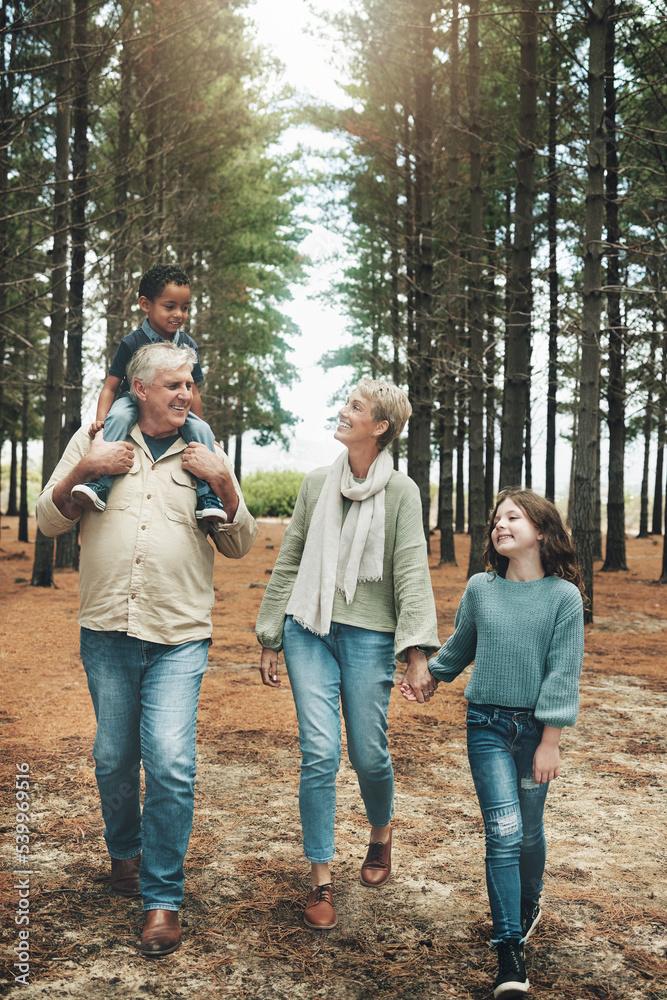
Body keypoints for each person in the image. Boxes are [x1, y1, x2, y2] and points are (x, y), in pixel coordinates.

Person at [36, 341, 258, 958]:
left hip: (178, 635)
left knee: (169, 761)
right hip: (105, 628)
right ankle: (124, 854)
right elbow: (48, 520)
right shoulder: (97, 439)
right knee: (112, 757)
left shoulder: (206, 450)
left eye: (188, 384)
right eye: (172, 385)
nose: (184, 394)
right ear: (139, 389)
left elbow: (240, 545)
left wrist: (224, 485)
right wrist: (84, 469)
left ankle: (162, 898)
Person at [256, 378, 439, 931]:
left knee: (367, 752)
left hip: (368, 636)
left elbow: (411, 571)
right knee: (318, 751)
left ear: (379, 426)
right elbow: (290, 559)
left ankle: (381, 834)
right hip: (307, 629)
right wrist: (270, 632)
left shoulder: (402, 492)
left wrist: (417, 653)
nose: (343, 410)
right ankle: (321, 880)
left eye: (355, 407)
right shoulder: (316, 484)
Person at [404, 488, 585, 999]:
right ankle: (509, 950)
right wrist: (428, 677)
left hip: (534, 732)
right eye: (496, 519)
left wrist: (549, 742)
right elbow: (461, 648)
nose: (499, 525)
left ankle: (529, 903)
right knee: (503, 832)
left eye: (513, 517)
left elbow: (562, 675)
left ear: (542, 532)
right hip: (485, 726)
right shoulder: (481, 588)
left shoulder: (563, 598)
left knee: (528, 831)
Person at [71, 263, 226, 525]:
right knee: (117, 418)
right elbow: (111, 386)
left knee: (203, 432)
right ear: (146, 304)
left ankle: (207, 496)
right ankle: (101, 485)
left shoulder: (188, 344)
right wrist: (100, 420)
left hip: (172, 406)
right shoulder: (132, 342)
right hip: (131, 400)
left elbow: (193, 391)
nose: (179, 314)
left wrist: (201, 425)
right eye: (170, 306)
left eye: (185, 307)